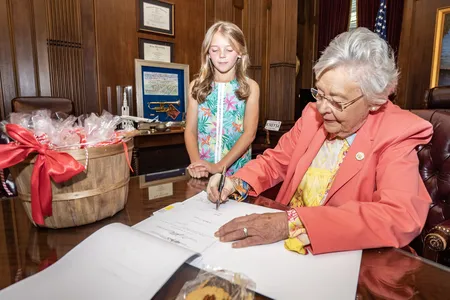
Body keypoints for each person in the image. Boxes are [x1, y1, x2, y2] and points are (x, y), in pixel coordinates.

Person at [206, 27, 434, 255]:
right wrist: (237, 182)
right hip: (279, 247)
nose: (322, 108)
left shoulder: (396, 132)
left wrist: (291, 223)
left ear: (376, 101)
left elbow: (401, 215)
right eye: (320, 94)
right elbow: (274, 162)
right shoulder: (311, 115)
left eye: (337, 102)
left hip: (339, 254)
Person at [184, 21, 259, 179]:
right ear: (207, 53)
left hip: (237, 174)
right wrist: (198, 165)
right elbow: (190, 131)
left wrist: (218, 167)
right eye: (215, 49)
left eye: (229, 49)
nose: (222, 55)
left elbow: (249, 133)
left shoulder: (250, 87)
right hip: (203, 172)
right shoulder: (195, 87)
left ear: (240, 52)